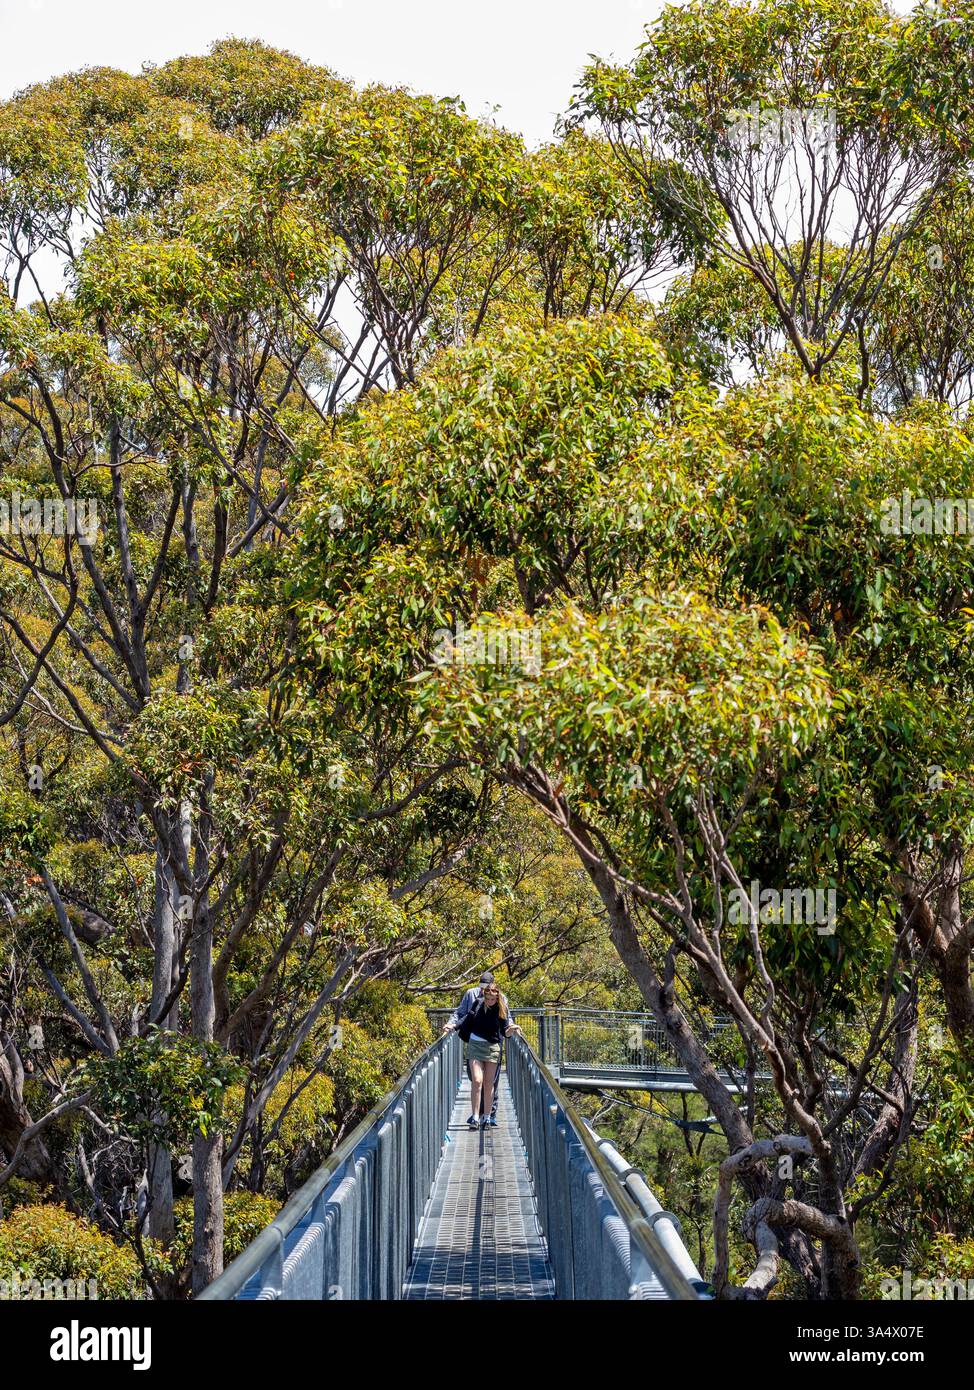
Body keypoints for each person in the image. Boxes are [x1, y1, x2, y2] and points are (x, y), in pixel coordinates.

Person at [442, 971, 518, 1123]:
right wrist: (452, 1026)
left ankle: (488, 1116)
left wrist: (512, 1028)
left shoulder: (502, 1002)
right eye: (483, 990)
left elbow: (506, 1026)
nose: (487, 998)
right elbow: (464, 1016)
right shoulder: (474, 997)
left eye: (491, 997)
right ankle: (476, 1116)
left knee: (490, 1084)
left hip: (493, 1046)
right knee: (477, 1080)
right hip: (475, 1044)